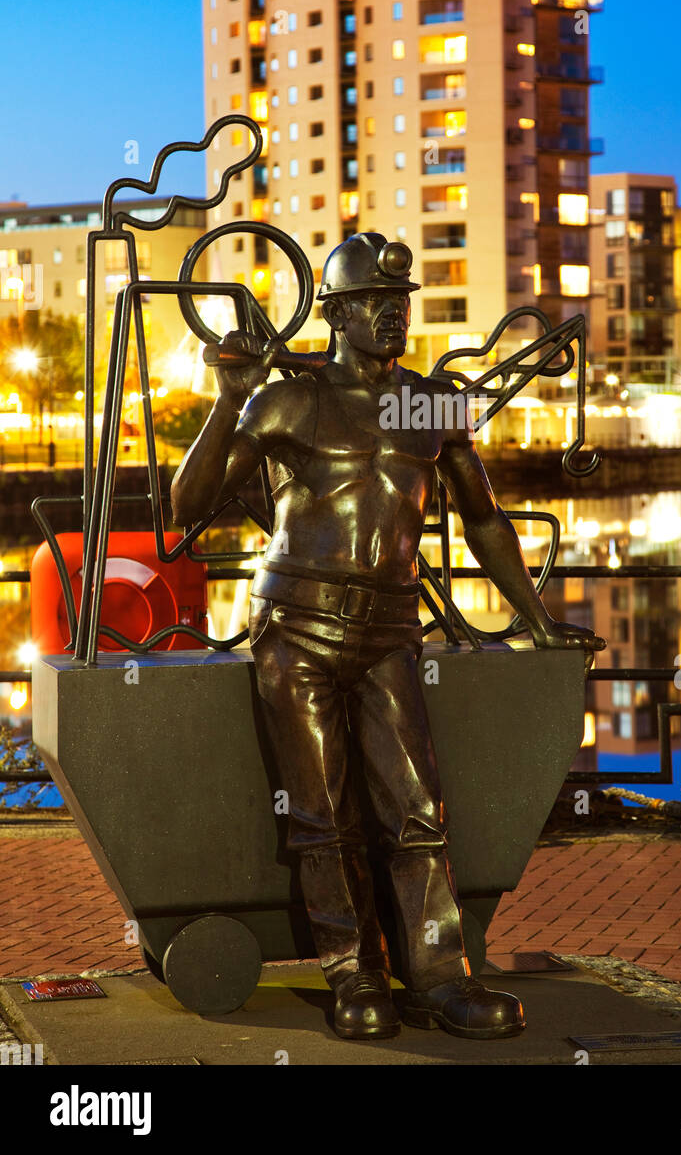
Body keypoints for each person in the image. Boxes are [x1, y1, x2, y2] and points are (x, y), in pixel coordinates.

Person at [171, 232, 605, 1042]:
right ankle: (353, 971)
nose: (392, 315)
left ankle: (439, 976)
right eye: (374, 302)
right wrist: (229, 399)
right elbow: (185, 506)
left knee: (417, 809)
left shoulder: (431, 406)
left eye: (399, 302)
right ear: (335, 314)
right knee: (322, 812)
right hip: (295, 630)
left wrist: (539, 622)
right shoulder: (288, 400)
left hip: (390, 630)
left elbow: (482, 520)